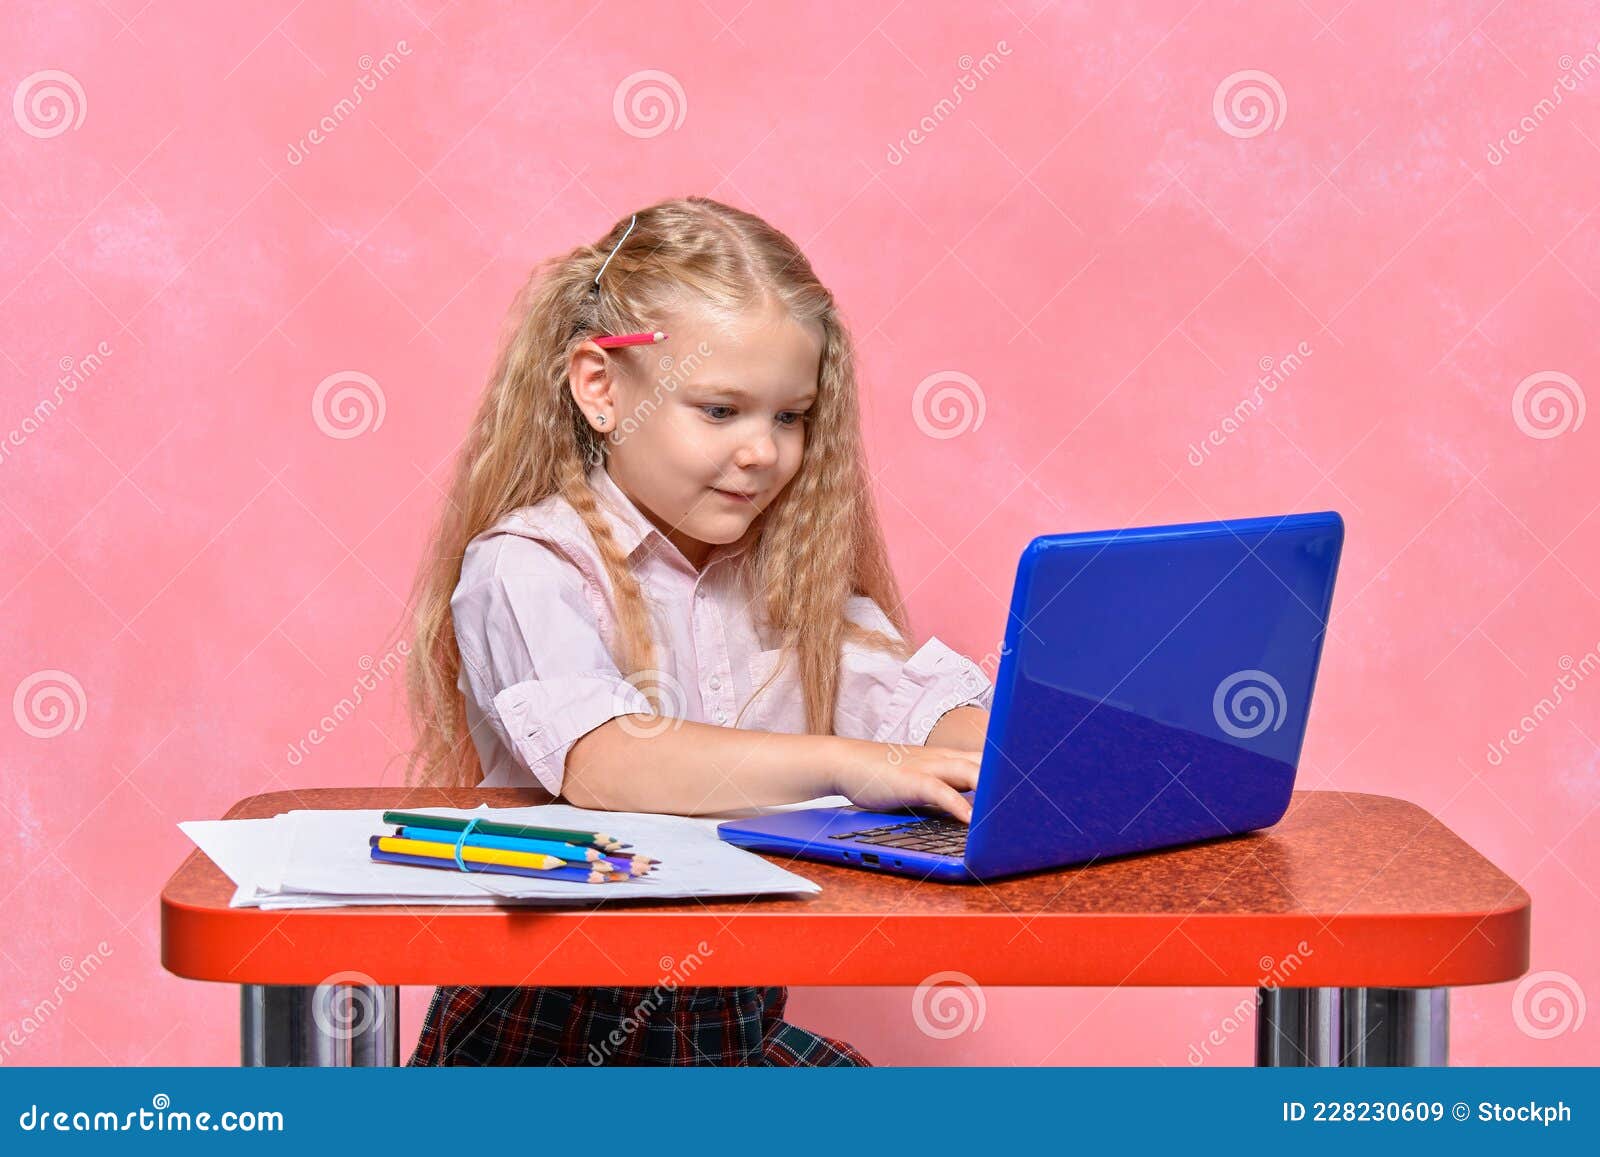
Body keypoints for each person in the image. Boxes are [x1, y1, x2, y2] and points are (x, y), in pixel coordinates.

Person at [400, 197, 994, 1066]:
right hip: (549, 1026)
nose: (763, 452)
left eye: (789, 416)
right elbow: (605, 760)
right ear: (601, 388)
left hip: (728, 1012)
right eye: (720, 410)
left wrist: (1015, 758)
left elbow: (920, 711)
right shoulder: (527, 567)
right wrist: (844, 761)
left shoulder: (790, 586)